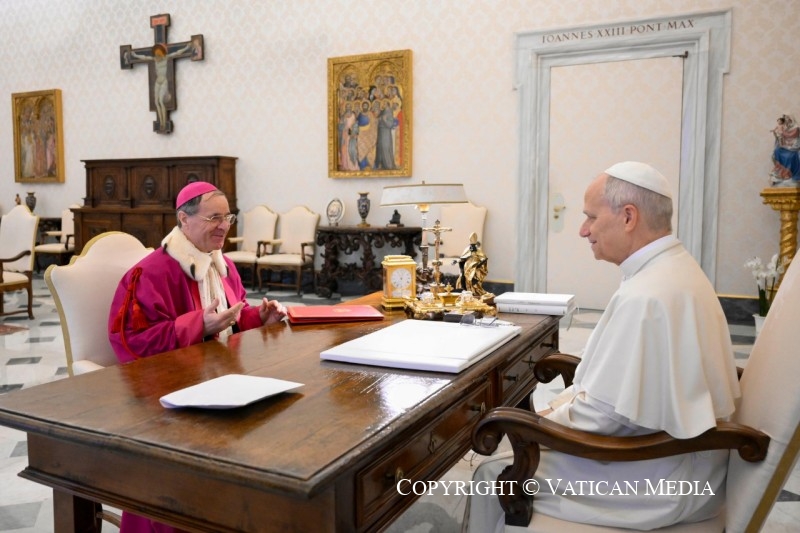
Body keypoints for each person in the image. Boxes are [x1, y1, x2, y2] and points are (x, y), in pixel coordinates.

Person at [466, 162, 741, 531]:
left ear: (628, 217)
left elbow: (607, 417)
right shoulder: (672, 268)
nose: (583, 230)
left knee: (493, 472)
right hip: (678, 456)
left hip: (657, 480)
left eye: (591, 217)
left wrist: (537, 422)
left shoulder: (649, 295)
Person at [107, 182, 287, 532]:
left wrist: (257, 318)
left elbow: (232, 318)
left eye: (228, 217)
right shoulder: (150, 273)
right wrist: (195, 326)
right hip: (169, 397)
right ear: (183, 220)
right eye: (214, 217)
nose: (223, 226)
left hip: (220, 381)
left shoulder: (224, 266)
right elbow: (129, 341)